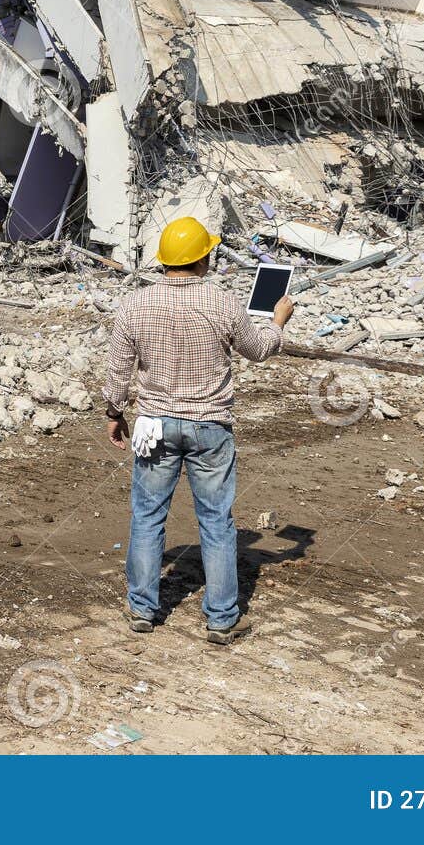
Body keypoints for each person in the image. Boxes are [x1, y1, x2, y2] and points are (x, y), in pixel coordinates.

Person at [102, 216, 294, 644]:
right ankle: (222, 619)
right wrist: (277, 319)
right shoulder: (224, 303)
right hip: (210, 425)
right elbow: (259, 349)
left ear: (165, 260)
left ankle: (142, 608)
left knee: (148, 517)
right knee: (217, 522)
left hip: (154, 424)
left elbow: (118, 371)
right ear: (204, 259)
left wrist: (114, 413)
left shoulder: (135, 305)